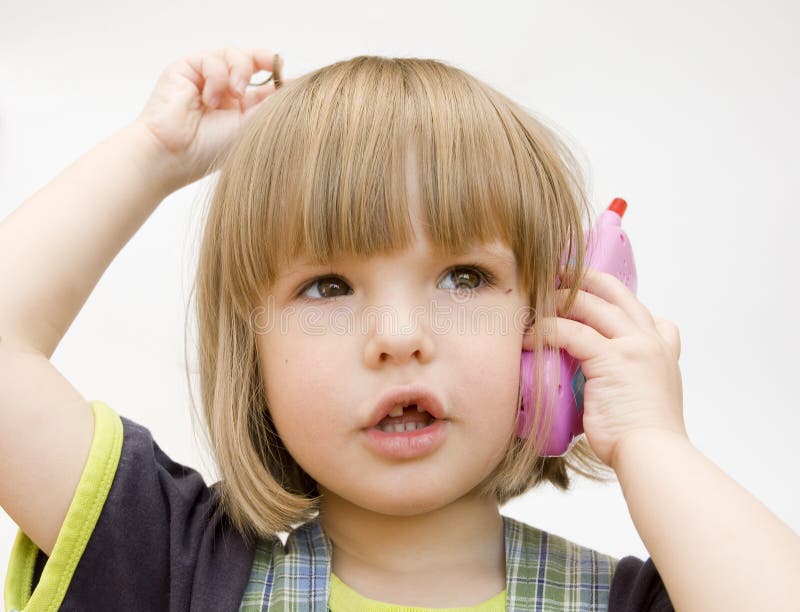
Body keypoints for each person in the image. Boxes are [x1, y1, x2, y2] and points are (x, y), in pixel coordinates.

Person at [1, 46, 797, 612]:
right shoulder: (177, 571)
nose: (399, 336)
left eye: (464, 278)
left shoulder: (648, 600)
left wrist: (653, 442)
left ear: (548, 331)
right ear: (256, 355)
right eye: (328, 287)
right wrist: (156, 155)